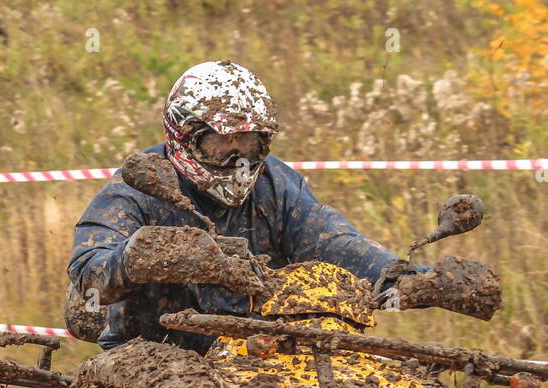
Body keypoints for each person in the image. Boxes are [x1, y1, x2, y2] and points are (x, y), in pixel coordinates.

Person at [67, 60, 412, 352]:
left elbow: (331, 242)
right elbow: (87, 274)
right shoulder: (139, 186)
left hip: (254, 354)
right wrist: (139, 255)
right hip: (151, 358)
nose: (236, 157)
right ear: (185, 135)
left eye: (246, 142)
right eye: (221, 141)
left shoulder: (277, 185)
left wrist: (407, 279)